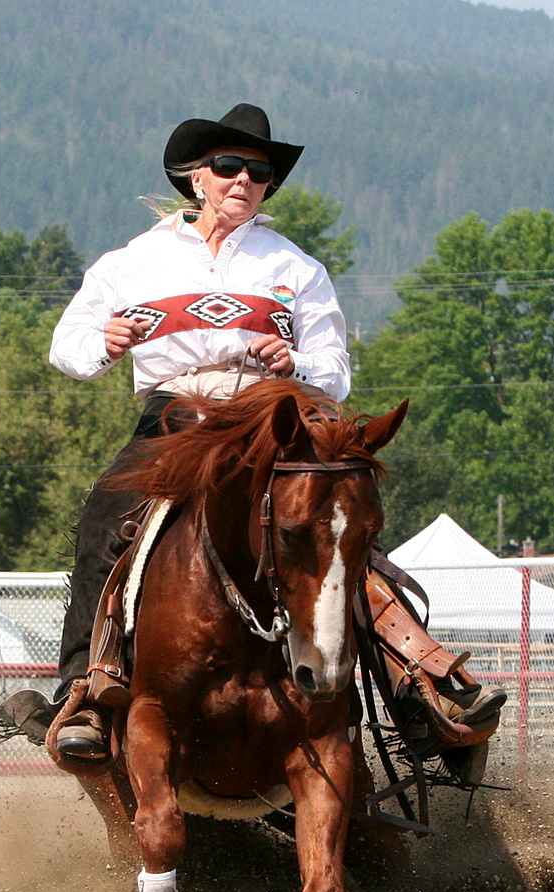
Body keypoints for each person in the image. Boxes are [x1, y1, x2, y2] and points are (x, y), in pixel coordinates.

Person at [43, 103, 502, 759]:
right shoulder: (132, 263)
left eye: (257, 172)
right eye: (228, 167)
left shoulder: (295, 269)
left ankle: (419, 680)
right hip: (177, 418)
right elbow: (67, 343)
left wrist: (298, 363)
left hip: (270, 421)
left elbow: (335, 369)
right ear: (196, 178)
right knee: (103, 517)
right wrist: (106, 342)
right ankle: (85, 689)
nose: (243, 181)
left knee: (331, 523)